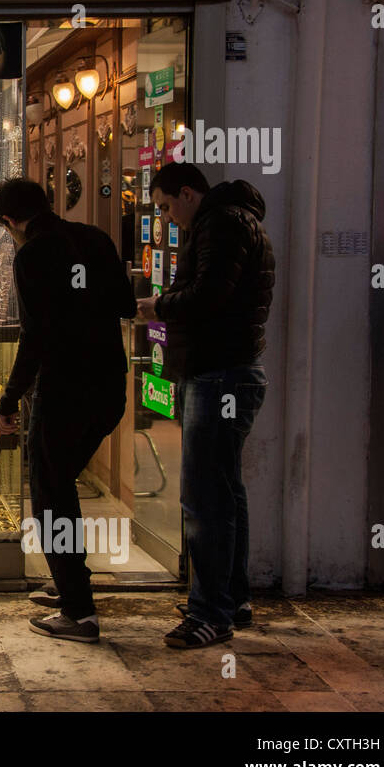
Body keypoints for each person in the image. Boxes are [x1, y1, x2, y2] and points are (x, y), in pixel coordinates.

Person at [0, 178, 136, 643]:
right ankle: (70, 582)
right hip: (109, 386)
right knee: (63, 490)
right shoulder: (95, 238)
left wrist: (9, 400)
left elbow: (35, 337)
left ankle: (79, 612)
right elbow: (125, 305)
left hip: (65, 390)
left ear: (9, 222)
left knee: (52, 499)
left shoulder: (32, 254)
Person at [138, 162, 274, 650]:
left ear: (190, 194)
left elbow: (209, 296)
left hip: (220, 376)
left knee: (205, 499)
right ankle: (230, 598)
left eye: (167, 206)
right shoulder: (241, 221)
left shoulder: (220, 224)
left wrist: (160, 306)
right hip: (232, 372)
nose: (168, 218)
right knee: (225, 490)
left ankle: (210, 612)